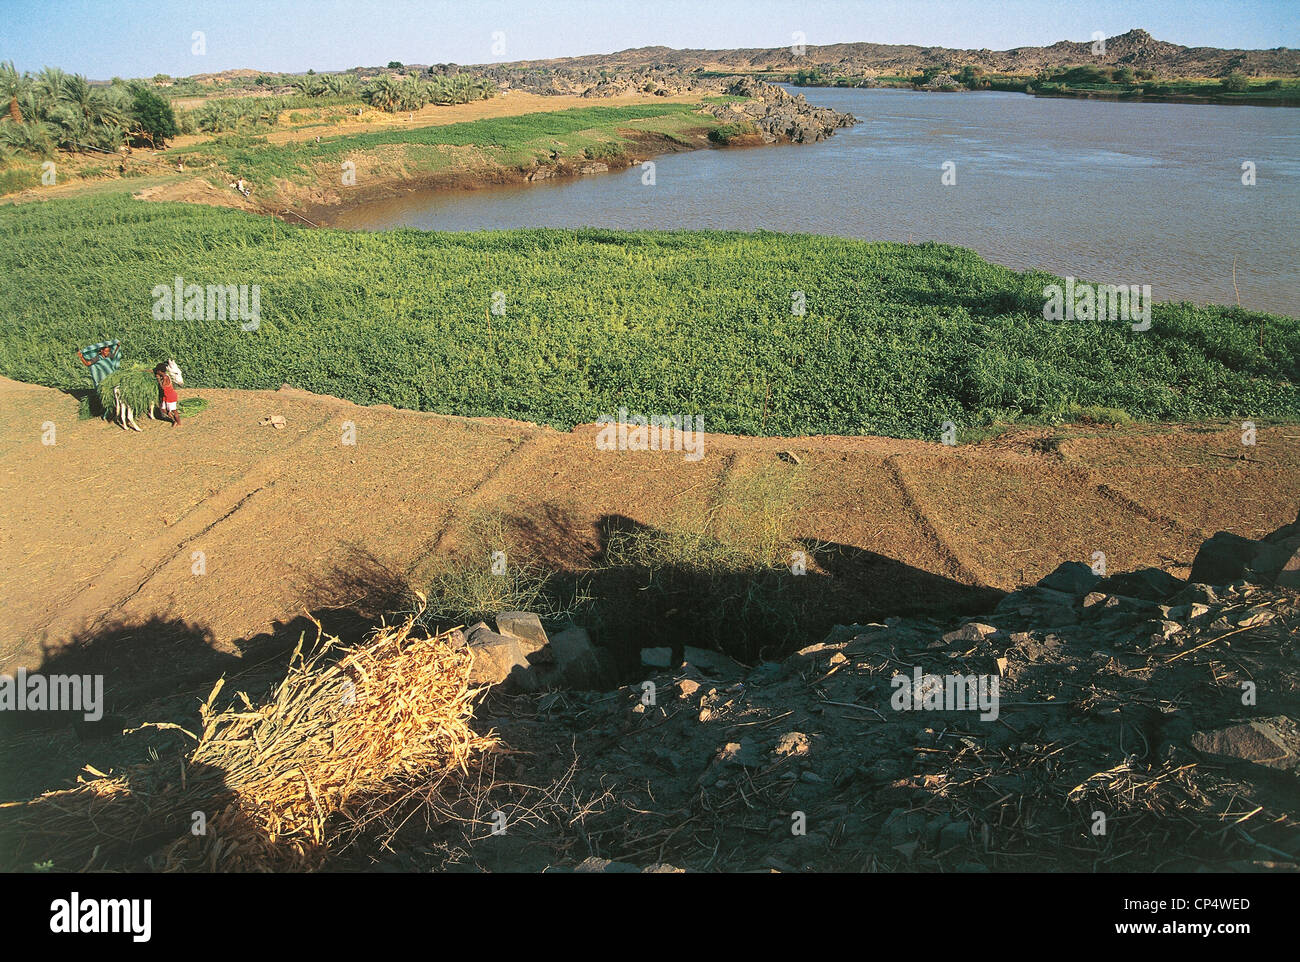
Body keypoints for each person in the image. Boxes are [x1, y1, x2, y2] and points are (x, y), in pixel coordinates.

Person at [154, 362, 181, 427]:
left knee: (174, 411)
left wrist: (158, 379)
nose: (157, 372)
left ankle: (179, 422)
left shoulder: (166, 377)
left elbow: (162, 387)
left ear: (160, 371)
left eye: (157, 371)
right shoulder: (164, 375)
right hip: (166, 396)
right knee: (163, 409)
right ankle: (173, 420)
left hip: (170, 396)